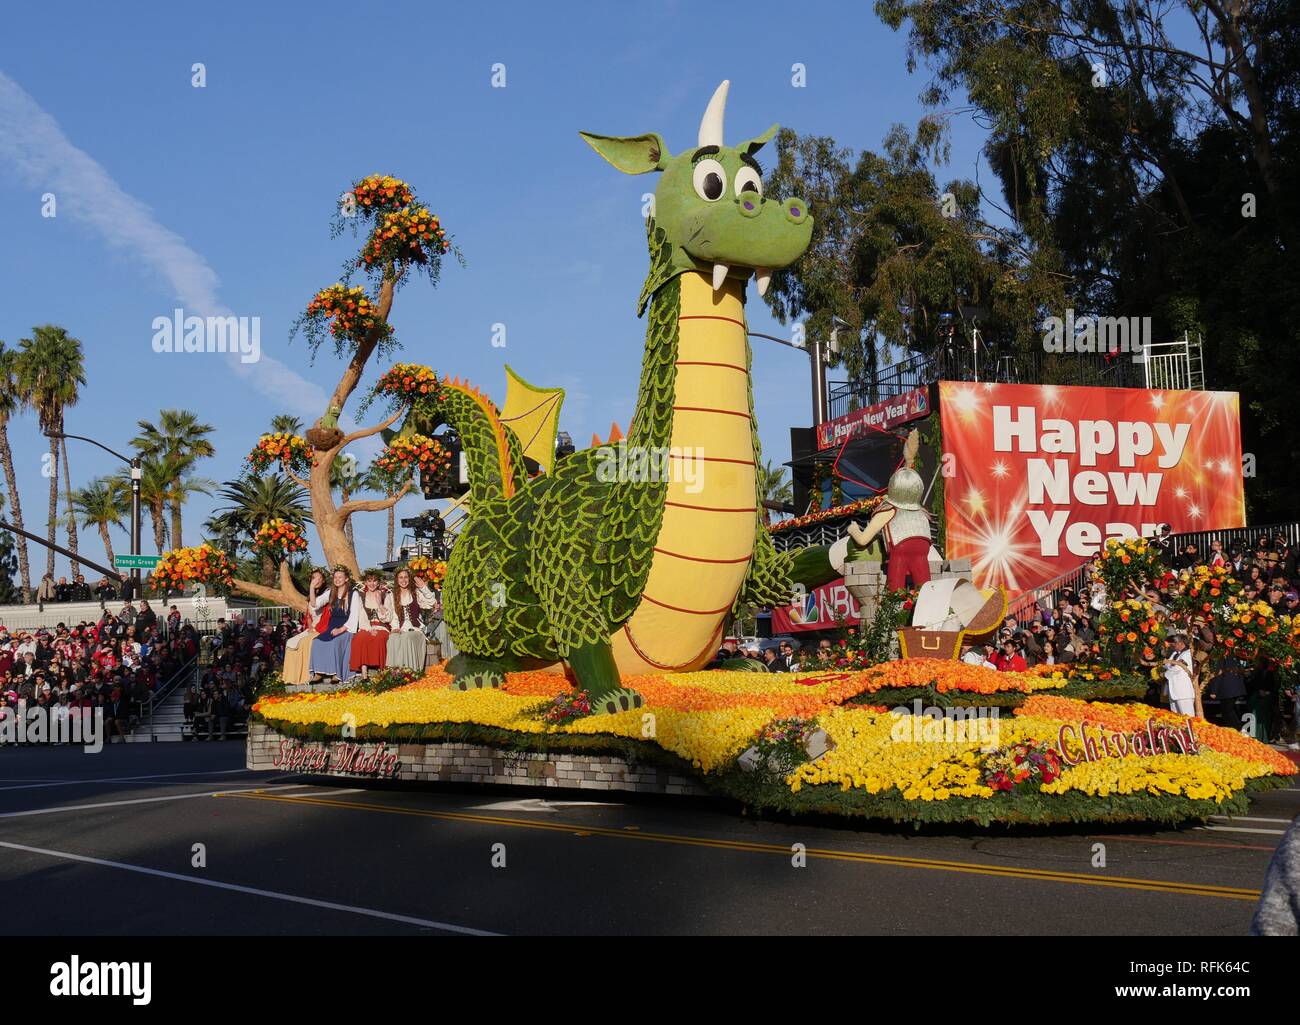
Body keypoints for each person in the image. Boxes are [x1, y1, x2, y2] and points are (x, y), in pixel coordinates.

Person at [308, 568, 362, 683]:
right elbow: (314, 604)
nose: (337, 580)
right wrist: (312, 587)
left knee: (334, 642)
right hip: (332, 626)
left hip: (346, 627)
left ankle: (335, 673)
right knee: (316, 642)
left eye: (340, 577)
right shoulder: (331, 593)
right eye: (335, 577)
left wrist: (341, 630)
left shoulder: (353, 594)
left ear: (346, 579)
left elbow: (354, 616)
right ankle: (318, 673)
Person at [383, 567, 439, 671]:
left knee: (407, 637)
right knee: (392, 639)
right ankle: (394, 672)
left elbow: (431, 603)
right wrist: (395, 627)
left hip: (416, 629)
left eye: (406, 577)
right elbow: (392, 615)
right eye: (400, 577)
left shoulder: (416, 593)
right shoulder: (391, 596)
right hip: (400, 628)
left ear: (409, 579)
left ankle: (410, 671)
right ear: (397, 580)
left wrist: (423, 588)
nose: (403, 580)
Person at [283, 569, 328, 685]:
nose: (316, 581)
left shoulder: (327, 593)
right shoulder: (311, 595)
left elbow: (316, 605)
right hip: (312, 627)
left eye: (319, 578)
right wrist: (310, 627)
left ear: (323, 580)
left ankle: (306, 676)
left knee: (305, 642)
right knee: (290, 642)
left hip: (323, 627)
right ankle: (291, 677)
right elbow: (308, 614)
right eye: (314, 578)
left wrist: (312, 588)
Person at [350, 569, 392, 674]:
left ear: (378, 582)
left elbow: (387, 618)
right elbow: (361, 616)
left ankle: (381, 671)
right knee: (359, 638)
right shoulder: (361, 596)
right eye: (369, 581)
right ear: (365, 582)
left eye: (374, 581)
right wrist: (369, 629)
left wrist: (380, 604)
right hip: (366, 626)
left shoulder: (385, 595)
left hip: (381, 625)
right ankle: (364, 673)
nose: (372, 584)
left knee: (379, 638)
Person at [1162, 634, 1196, 716]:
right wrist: (1171, 665)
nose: (1172, 644)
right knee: (1176, 717)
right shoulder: (1175, 653)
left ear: (1181, 643)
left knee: (1188, 717)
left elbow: (1177, 668)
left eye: (1174, 642)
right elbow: (1166, 664)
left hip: (1183, 692)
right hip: (1174, 691)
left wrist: (1164, 674)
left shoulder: (1187, 653)